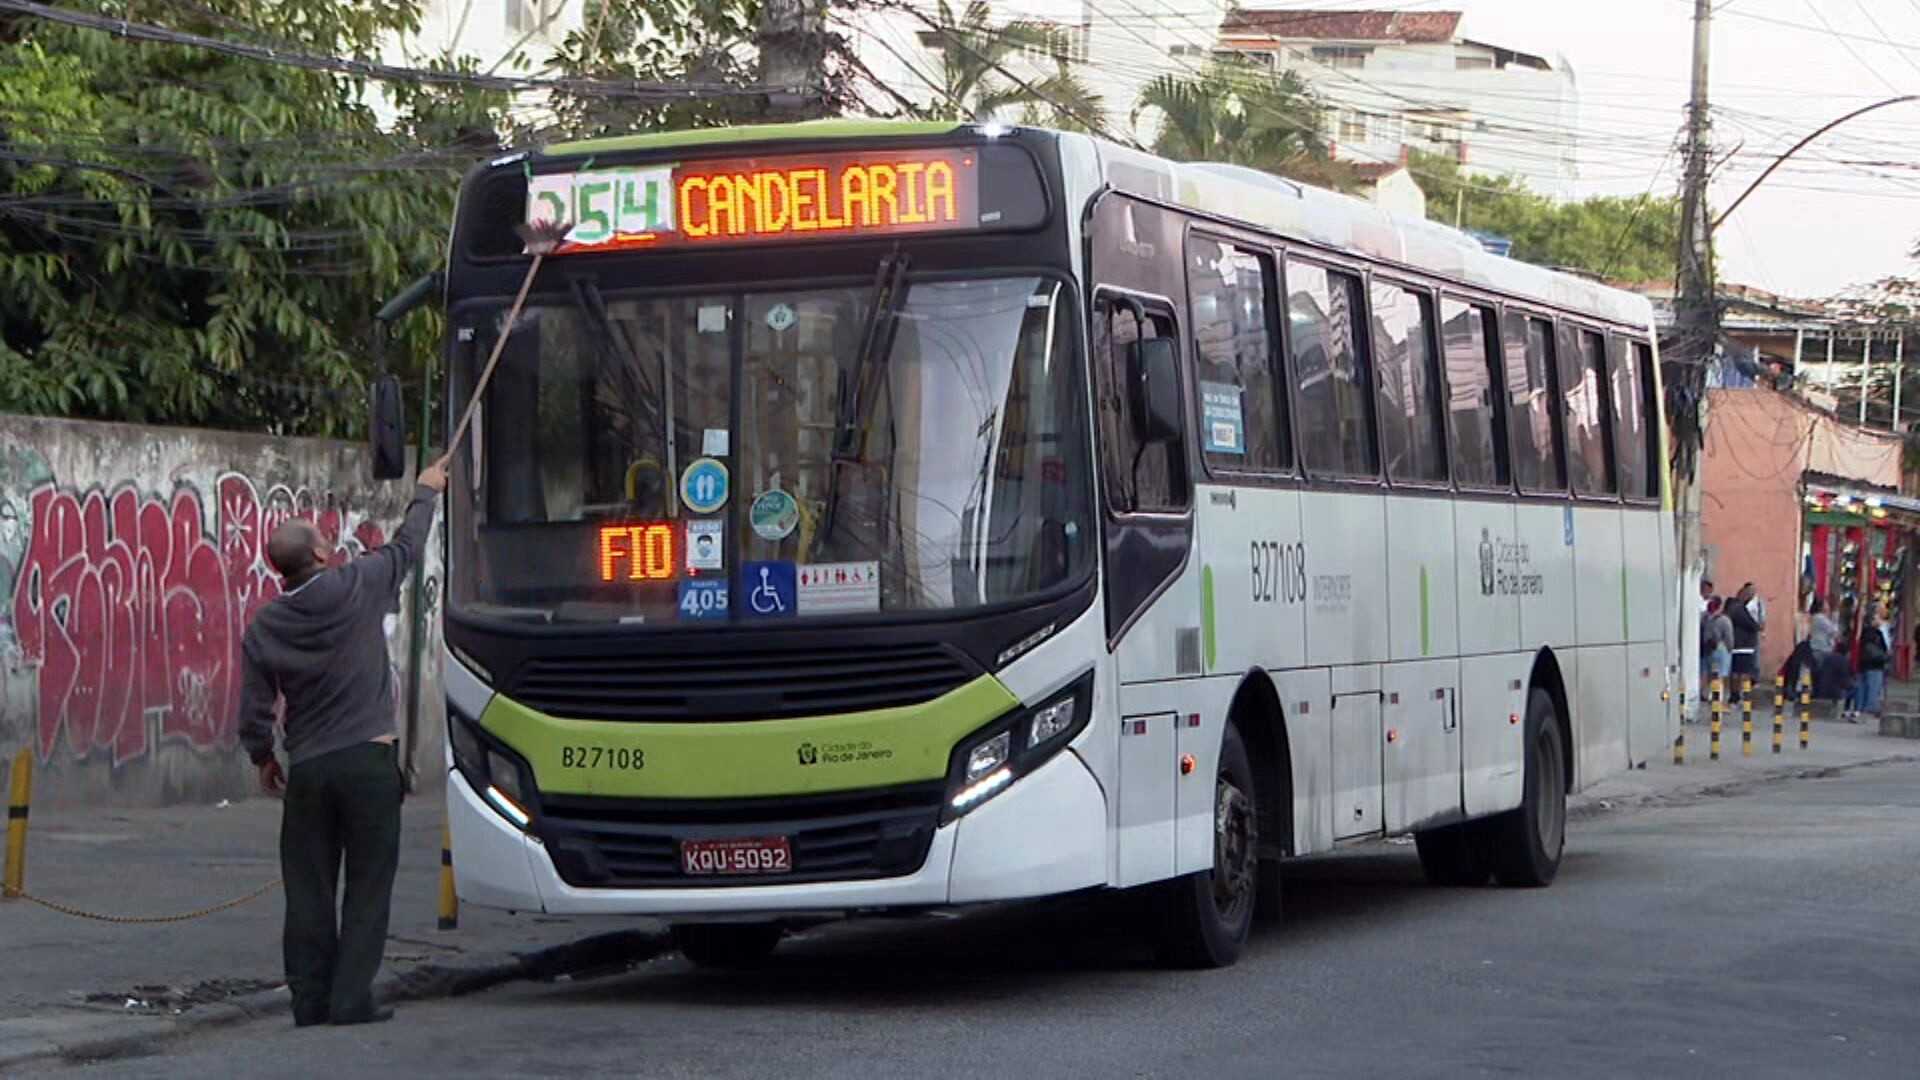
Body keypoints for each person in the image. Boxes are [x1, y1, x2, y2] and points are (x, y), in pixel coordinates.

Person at [238, 456, 448, 1027]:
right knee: (368, 887)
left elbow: (254, 710)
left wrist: (263, 757)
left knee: (308, 887)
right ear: (325, 553)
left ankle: (309, 999)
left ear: (279, 569)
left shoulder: (264, 627)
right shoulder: (358, 584)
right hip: (368, 763)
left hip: (308, 770)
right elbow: (407, 546)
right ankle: (351, 997)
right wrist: (426, 491)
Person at [1725, 583, 1763, 698]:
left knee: (1737, 671)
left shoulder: (1732, 607)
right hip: (1743, 645)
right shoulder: (1738, 608)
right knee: (1742, 672)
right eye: (1749, 594)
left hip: (1737, 644)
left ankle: (1736, 694)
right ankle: (1738, 694)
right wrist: (1757, 626)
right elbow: (1751, 624)